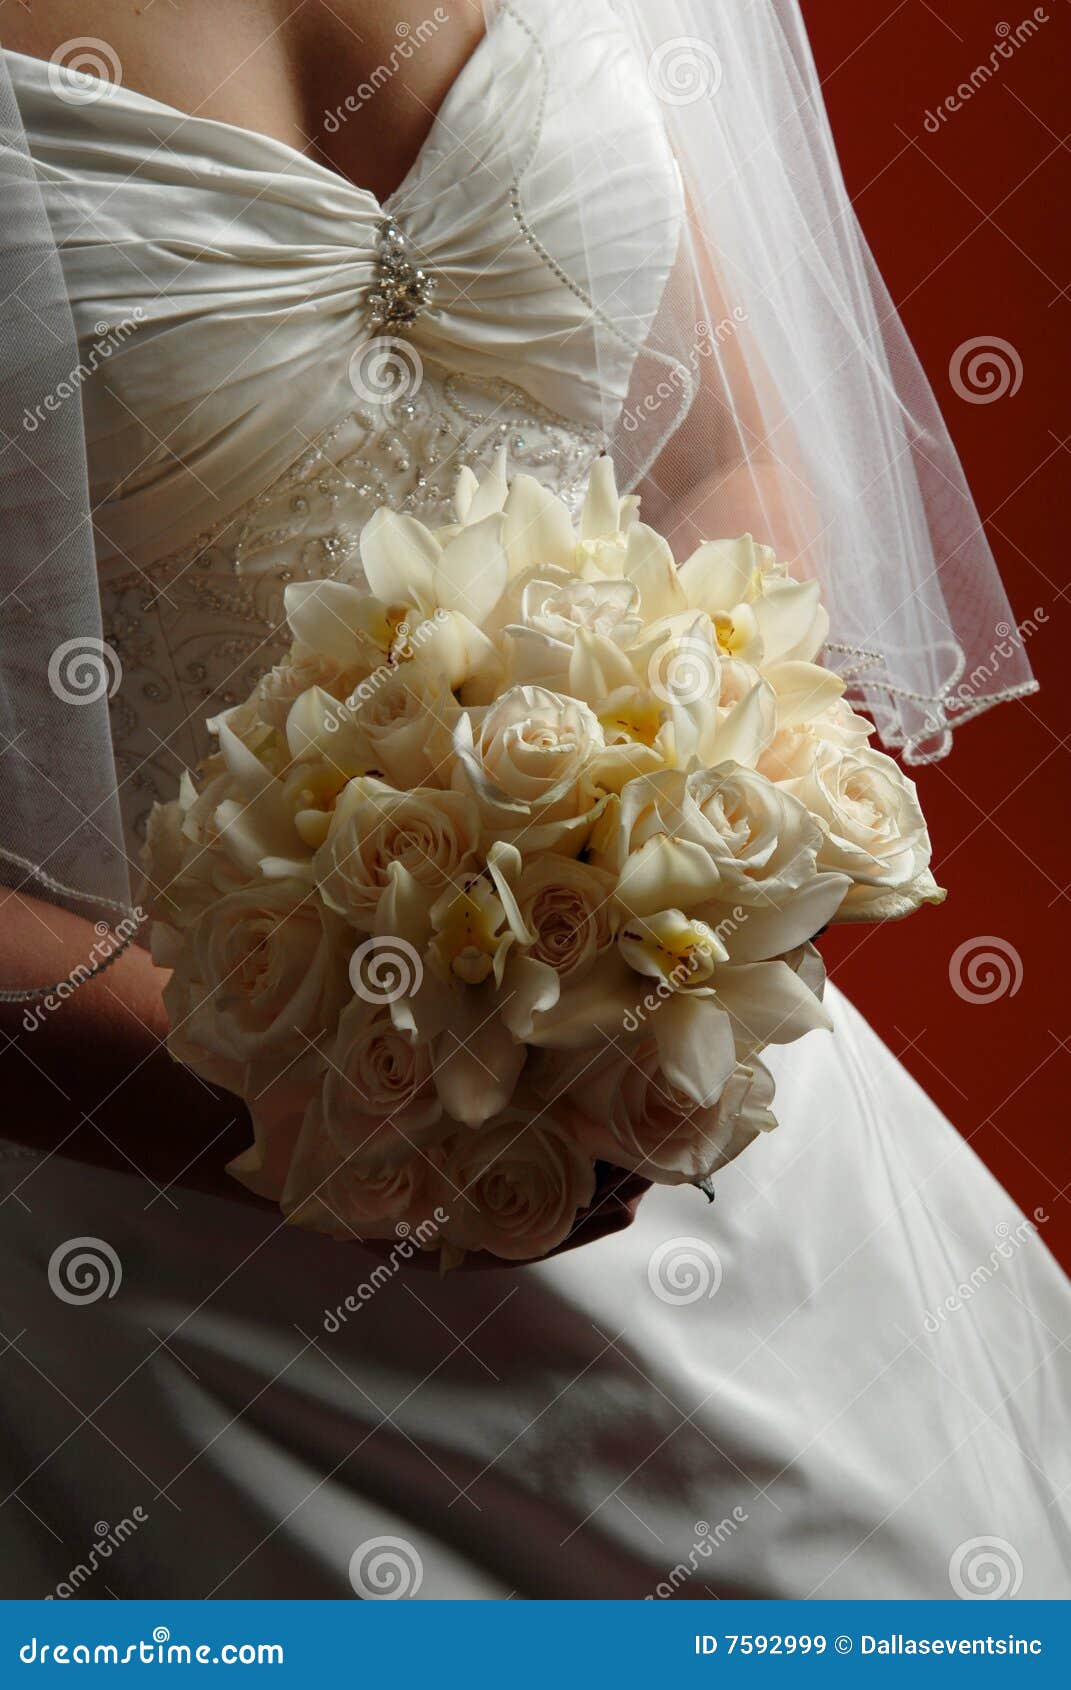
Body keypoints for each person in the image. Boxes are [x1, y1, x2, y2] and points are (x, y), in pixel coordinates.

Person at [0, 0, 1066, 1599]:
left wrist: (700, 821)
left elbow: (719, 453)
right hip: (173, 1230)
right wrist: (324, 1096)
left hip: (683, 1060)